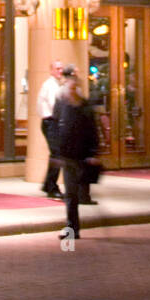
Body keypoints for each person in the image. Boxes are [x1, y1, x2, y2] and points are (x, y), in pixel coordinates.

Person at [54, 67, 99, 244]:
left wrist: (93, 153)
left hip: (82, 156)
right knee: (71, 194)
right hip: (68, 157)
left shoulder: (85, 107)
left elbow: (93, 131)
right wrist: (57, 152)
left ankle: (75, 223)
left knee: (80, 191)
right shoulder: (62, 104)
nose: (70, 91)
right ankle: (72, 228)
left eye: (73, 88)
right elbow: (56, 127)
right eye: (68, 88)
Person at [37, 60, 65, 199]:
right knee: (57, 154)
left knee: (56, 154)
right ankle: (51, 186)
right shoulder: (51, 85)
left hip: (52, 122)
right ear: (51, 70)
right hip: (51, 122)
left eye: (61, 68)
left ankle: (49, 185)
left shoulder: (56, 85)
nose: (60, 71)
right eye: (57, 68)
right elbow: (55, 106)